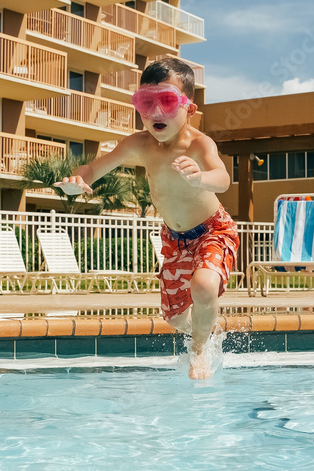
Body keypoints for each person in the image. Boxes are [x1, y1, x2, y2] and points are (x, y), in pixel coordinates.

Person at [55, 58, 238, 379]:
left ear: (189, 108)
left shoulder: (198, 144)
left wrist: (200, 178)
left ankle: (200, 354)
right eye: (145, 102)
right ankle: (206, 330)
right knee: (175, 317)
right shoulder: (138, 145)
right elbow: (94, 168)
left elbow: (222, 178)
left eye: (167, 101)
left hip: (213, 229)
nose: (156, 112)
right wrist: (77, 182)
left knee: (204, 286)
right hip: (174, 239)